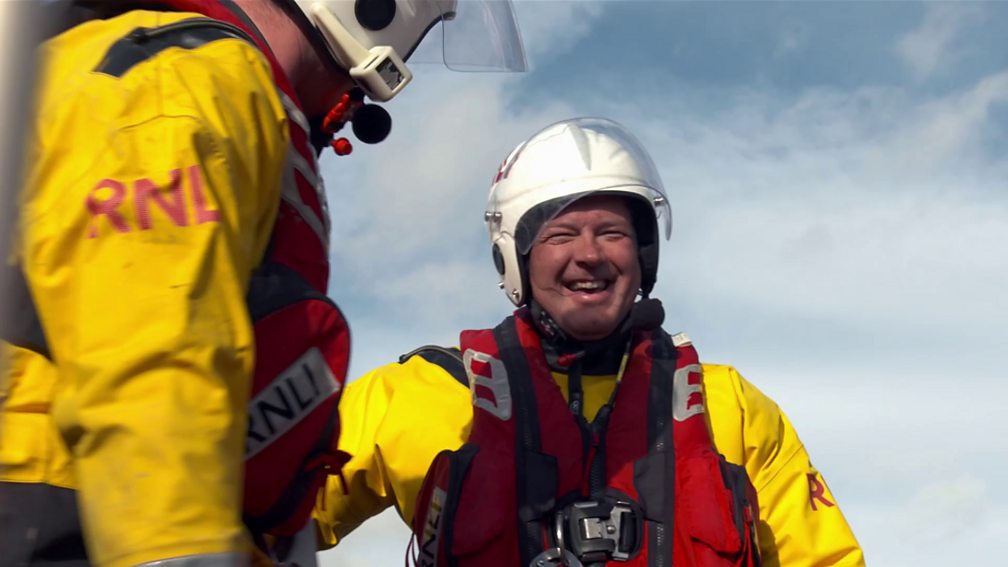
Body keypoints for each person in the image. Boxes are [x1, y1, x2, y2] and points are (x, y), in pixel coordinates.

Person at [0, 1, 524, 566]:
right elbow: (150, 339)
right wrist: (181, 549)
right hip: (78, 510)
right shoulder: (186, 75)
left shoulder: (212, 80)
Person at [314, 117, 866, 566]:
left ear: (643, 255)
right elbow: (253, 512)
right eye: (560, 234)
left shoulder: (734, 408)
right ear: (515, 257)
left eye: (612, 232)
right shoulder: (413, 396)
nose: (590, 254)